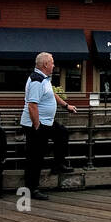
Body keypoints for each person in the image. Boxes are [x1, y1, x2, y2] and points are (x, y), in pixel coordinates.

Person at [19, 51, 74, 199]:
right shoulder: (37, 81)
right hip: (36, 124)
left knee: (62, 132)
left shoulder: (44, 79)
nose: (54, 65)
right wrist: (37, 127)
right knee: (35, 157)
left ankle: (58, 165)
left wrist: (65, 105)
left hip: (46, 122)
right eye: (52, 62)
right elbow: (32, 106)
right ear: (45, 64)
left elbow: (51, 94)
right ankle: (32, 189)